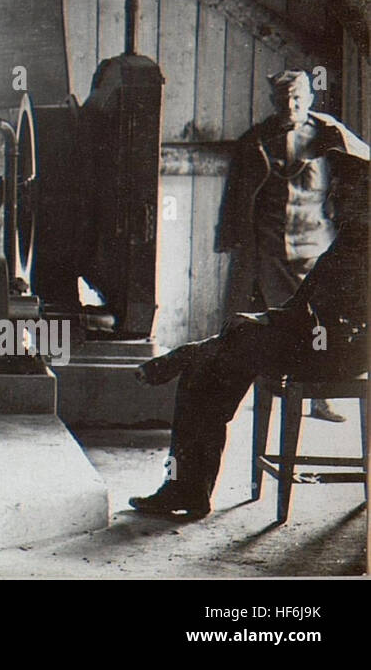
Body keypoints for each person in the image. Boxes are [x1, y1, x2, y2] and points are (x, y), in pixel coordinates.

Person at [130, 152, 367, 518]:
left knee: (218, 358)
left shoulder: (362, 244)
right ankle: (184, 486)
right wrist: (261, 317)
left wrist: (267, 322)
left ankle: (187, 484)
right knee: (210, 365)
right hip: (319, 342)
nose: (332, 197)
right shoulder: (351, 235)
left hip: (339, 352)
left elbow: (328, 318)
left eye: (342, 191)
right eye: (334, 189)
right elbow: (304, 304)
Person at [217, 69, 369, 420]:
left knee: (323, 323)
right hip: (271, 249)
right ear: (272, 101)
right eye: (283, 99)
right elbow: (235, 194)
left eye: (298, 97)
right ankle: (277, 385)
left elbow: (362, 168)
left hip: (317, 245)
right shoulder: (256, 140)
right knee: (278, 322)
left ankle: (320, 394)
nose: (291, 104)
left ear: (310, 98)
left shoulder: (329, 135)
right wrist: (232, 238)